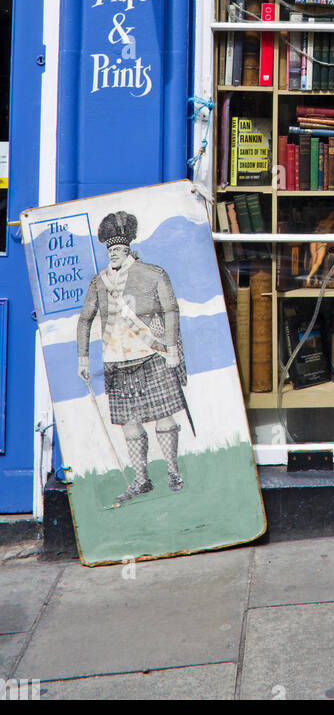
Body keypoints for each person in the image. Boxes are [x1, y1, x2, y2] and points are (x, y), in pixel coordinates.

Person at [77, 211, 188, 504]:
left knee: (164, 417)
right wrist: (83, 358)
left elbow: (171, 310)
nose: (114, 254)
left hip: (152, 356)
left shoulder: (153, 273)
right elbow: (85, 319)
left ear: (129, 250)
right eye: (110, 250)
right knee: (130, 424)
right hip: (116, 360)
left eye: (119, 250)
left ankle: (173, 472)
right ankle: (141, 480)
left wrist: (173, 349)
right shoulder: (98, 282)